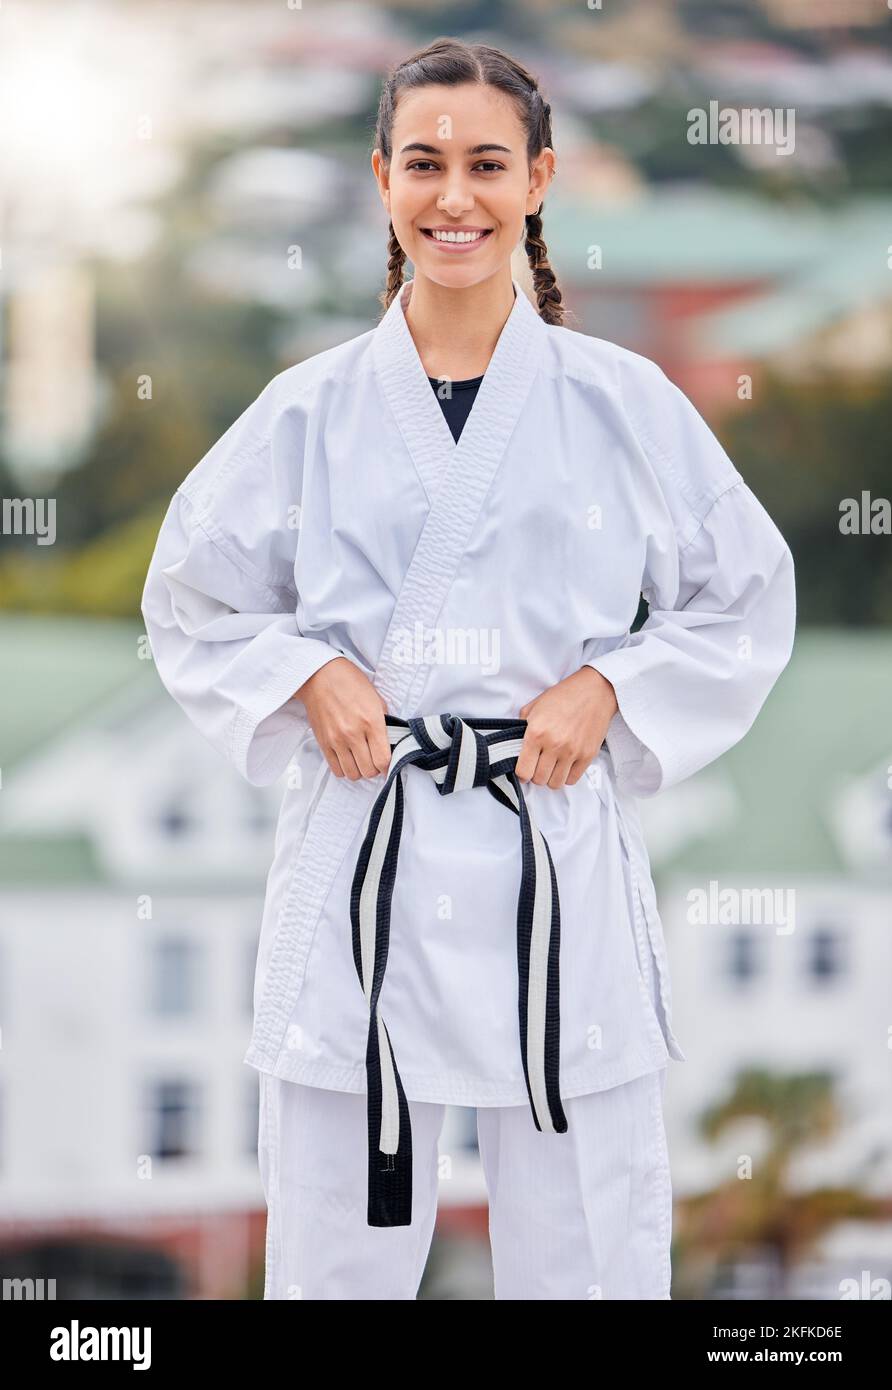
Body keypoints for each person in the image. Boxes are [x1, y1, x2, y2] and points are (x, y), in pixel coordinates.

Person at [140, 37, 797, 1300]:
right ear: (381, 177)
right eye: (426, 163)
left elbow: (745, 595)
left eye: (488, 164)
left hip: (550, 845)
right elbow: (190, 597)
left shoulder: (622, 402)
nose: (456, 197)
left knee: (591, 1251)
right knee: (338, 1249)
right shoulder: (307, 410)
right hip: (364, 854)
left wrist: (610, 687)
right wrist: (301, 674)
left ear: (540, 179)